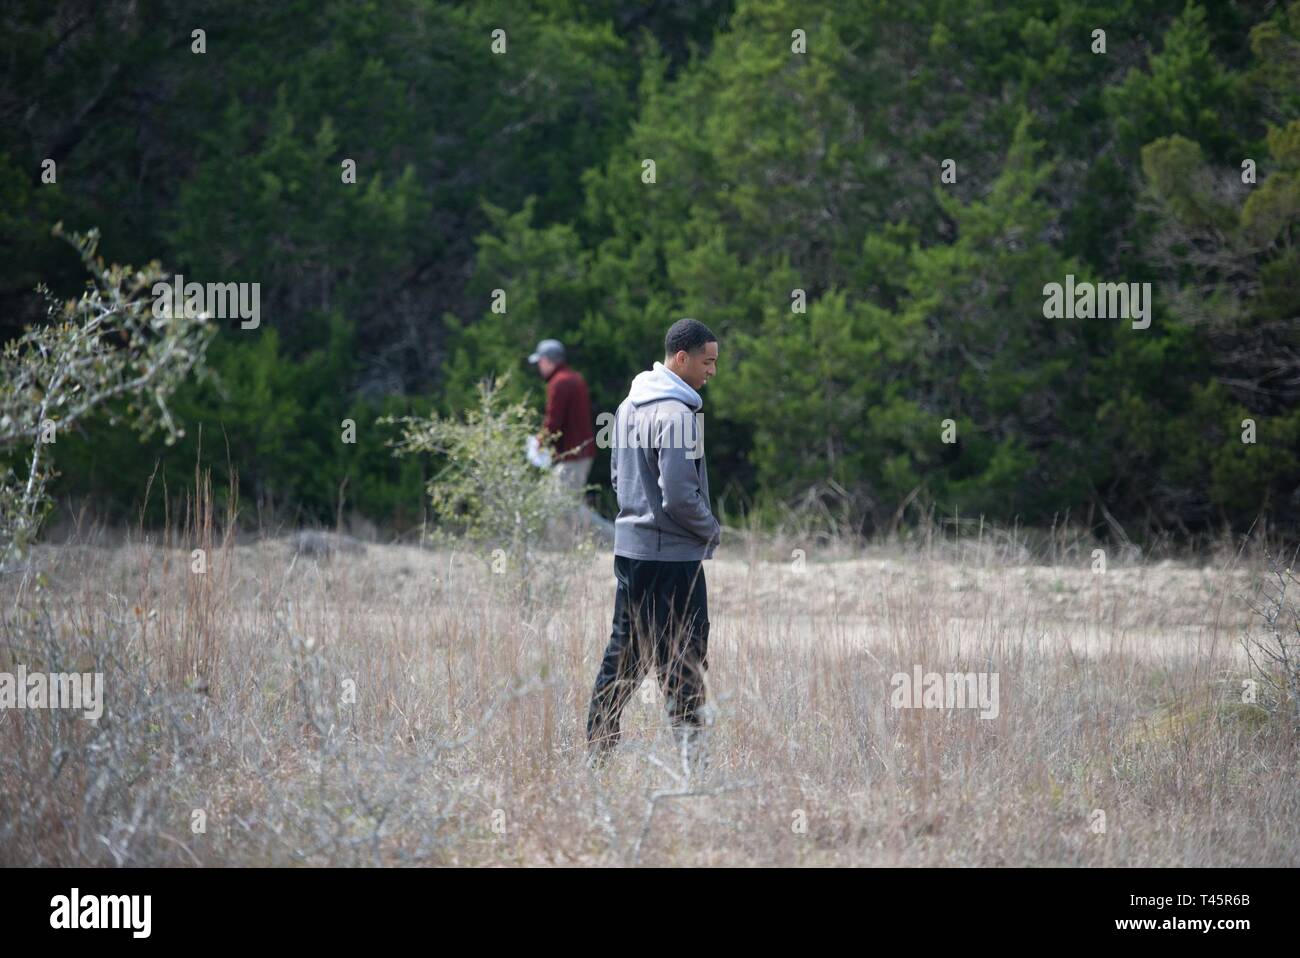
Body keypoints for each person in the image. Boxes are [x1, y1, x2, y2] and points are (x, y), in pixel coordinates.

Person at [585, 318, 721, 775]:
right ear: (681, 358)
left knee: (626, 651)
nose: (712, 372)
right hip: (672, 558)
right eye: (708, 362)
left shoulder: (627, 406)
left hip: (631, 551)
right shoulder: (678, 415)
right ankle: (694, 764)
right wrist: (710, 529)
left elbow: (618, 479)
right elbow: (680, 496)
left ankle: (598, 750)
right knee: (685, 655)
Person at [527, 339, 606, 537]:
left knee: (566, 505)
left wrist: (538, 442)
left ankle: (617, 538)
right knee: (561, 504)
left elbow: (553, 421)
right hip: (578, 454)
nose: (538, 366)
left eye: (540, 361)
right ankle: (562, 546)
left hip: (572, 456)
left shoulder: (559, 382)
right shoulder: (574, 378)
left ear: (547, 360)